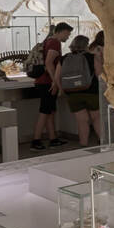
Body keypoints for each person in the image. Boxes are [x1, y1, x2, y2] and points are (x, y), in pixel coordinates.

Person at [30, 22, 72, 150]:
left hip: (43, 81)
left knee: (50, 111)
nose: (68, 36)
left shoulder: (48, 41)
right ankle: (36, 140)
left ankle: (53, 138)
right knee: (45, 111)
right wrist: (55, 82)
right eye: (67, 34)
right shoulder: (54, 43)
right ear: (61, 31)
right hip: (47, 82)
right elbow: (49, 63)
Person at [61, 35, 101, 147]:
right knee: (96, 119)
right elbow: (99, 75)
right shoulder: (92, 57)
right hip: (91, 92)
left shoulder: (64, 58)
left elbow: (57, 77)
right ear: (86, 45)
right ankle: (103, 142)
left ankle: (83, 145)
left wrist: (64, 91)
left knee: (81, 121)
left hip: (73, 94)